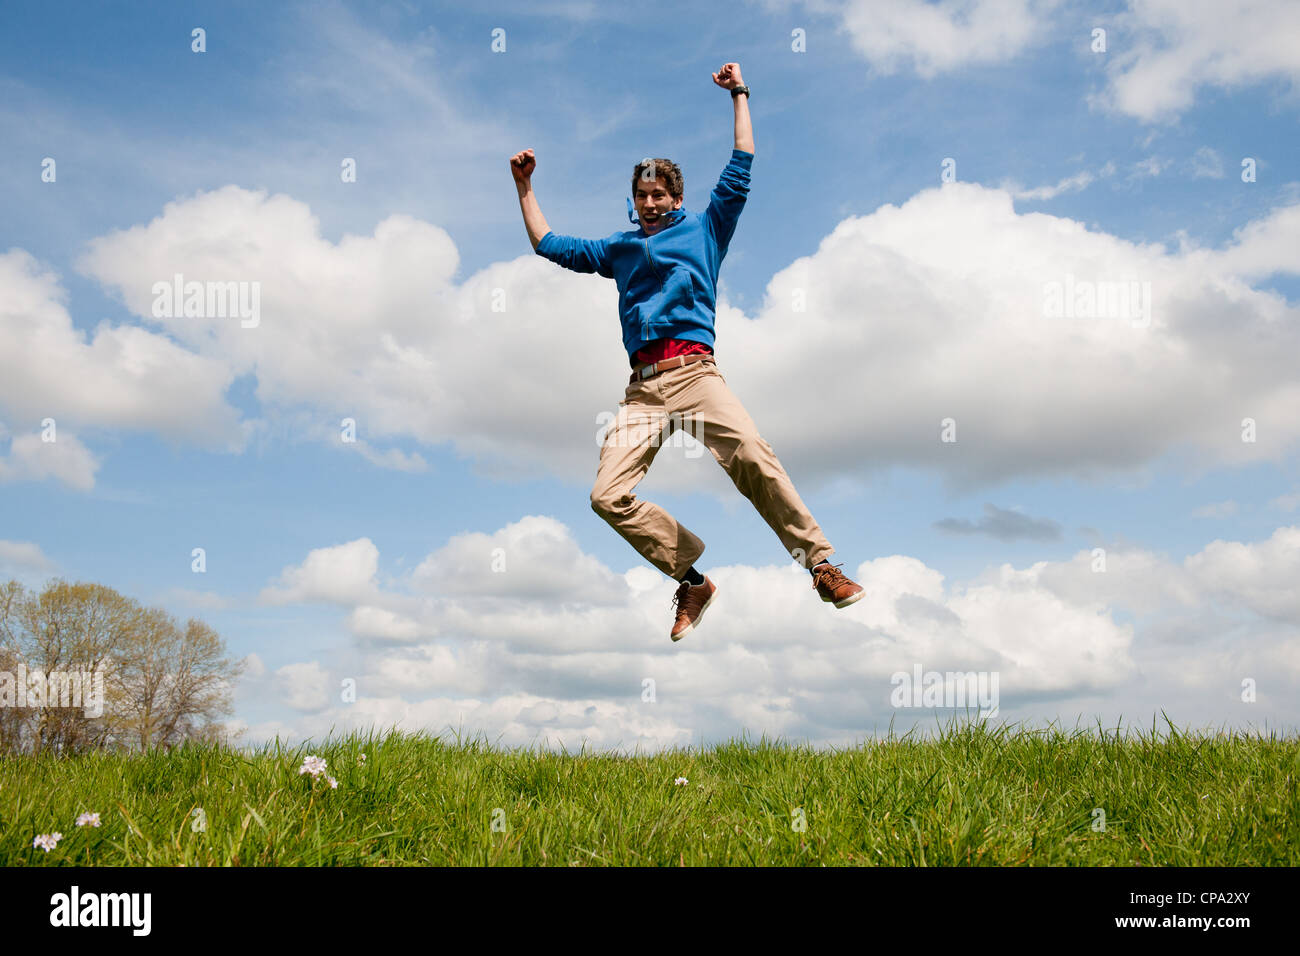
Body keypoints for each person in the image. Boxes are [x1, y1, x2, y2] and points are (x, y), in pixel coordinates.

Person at [509, 61, 863, 643]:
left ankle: (820, 564)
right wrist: (525, 187)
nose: (648, 203)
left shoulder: (705, 229)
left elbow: (741, 165)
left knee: (751, 452)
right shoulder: (619, 249)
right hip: (643, 390)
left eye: (658, 194)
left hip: (696, 373)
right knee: (606, 494)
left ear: (676, 197)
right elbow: (550, 245)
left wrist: (739, 94)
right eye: (640, 195)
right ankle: (692, 580)